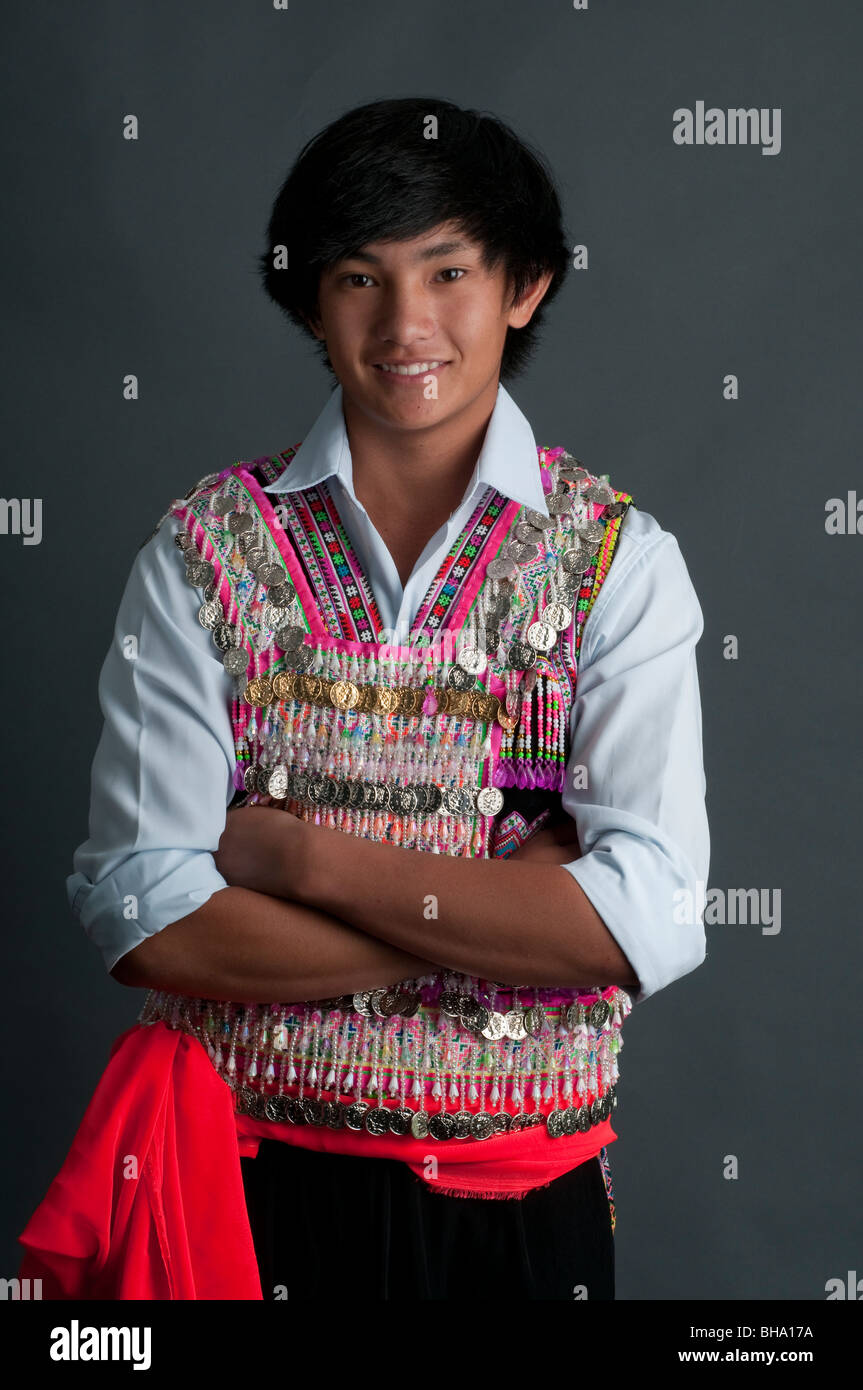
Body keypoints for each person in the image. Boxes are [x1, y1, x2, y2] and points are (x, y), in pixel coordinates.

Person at [18, 97, 709, 1301]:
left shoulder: (616, 562)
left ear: (523, 286)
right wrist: (505, 918)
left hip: (521, 1207)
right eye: (358, 278)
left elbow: (638, 923)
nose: (406, 324)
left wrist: (300, 860)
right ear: (311, 300)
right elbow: (145, 915)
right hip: (246, 1191)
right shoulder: (202, 557)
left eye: (448, 270)